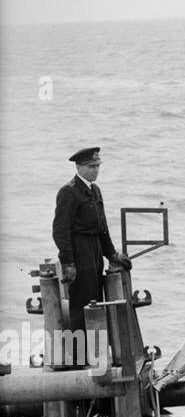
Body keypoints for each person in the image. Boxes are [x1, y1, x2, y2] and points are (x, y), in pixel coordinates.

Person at [51, 147, 131, 365]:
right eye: (91, 167)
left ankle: (95, 355)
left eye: (97, 166)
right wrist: (68, 262)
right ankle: (78, 358)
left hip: (94, 250)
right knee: (81, 306)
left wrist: (111, 254)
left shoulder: (94, 191)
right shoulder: (69, 192)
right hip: (79, 251)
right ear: (79, 167)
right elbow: (60, 230)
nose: (95, 171)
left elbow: (102, 227)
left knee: (96, 302)